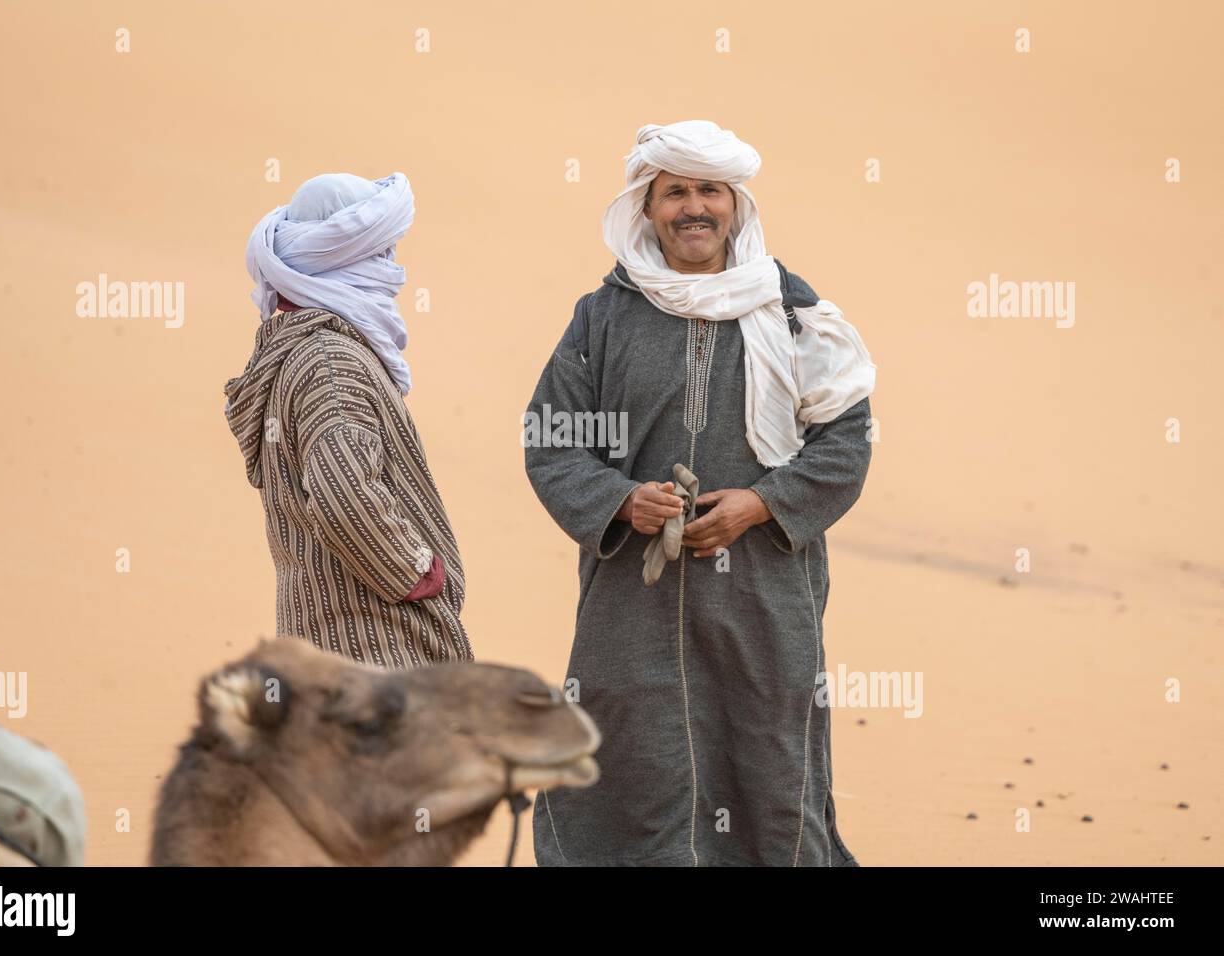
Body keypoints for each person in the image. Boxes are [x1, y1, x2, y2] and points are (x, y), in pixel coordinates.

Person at [524, 120, 876, 865]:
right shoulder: (603, 317)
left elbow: (848, 443)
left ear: (735, 204)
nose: (693, 208)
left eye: (708, 190)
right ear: (646, 209)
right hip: (630, 602)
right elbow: (552, 441)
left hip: (762, 593)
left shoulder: (791, 310)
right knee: (625, 756)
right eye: (673, 192)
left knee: (767, 758)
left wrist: (762, 505)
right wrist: (620, 500)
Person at [224, 173, 470, 666]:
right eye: (382, 254)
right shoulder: (331, 363)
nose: (392, 269)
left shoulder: (304, 351)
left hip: (335, 651)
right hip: (376, 653)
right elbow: (342, 492)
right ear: (350, 259)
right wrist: (420, 572)